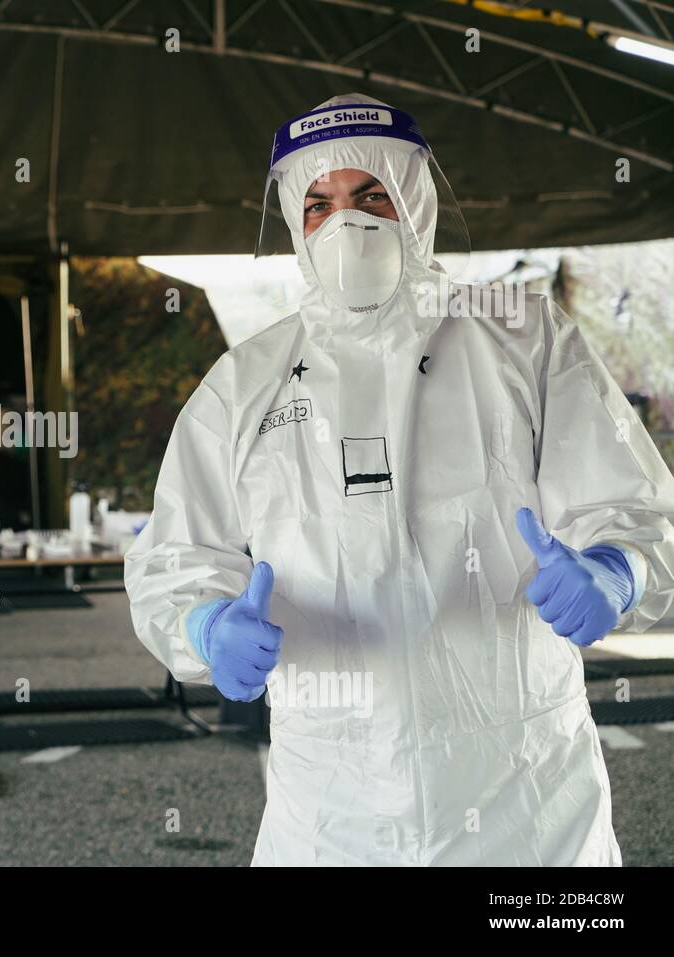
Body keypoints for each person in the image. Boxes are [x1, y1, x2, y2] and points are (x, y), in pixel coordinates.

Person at [124, 94, 674, 866]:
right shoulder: (244, 385)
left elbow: (634, 507)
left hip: (527, 804)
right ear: (293, 219)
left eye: (371, 195)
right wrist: (206, 625)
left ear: (415, 200)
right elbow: (174, 561)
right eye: (318, 204)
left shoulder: (522, 338)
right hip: (332, 811)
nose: (346, 223)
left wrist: (615, 571)